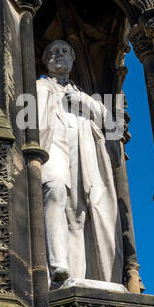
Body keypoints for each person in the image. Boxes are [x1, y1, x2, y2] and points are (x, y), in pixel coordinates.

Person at [36, 39, 123, 286]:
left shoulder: (87, 96)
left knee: (79, 214)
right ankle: (57, 264)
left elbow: (114, 126)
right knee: (53, 188)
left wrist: (84, 102)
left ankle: (75, 276)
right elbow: (25, 120)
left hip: (83, 151)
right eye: (52, 52)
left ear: (73, 58)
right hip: (53, 146)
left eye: (64, 51)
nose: (58, 55)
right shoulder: (38, 87)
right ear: (45, 61)